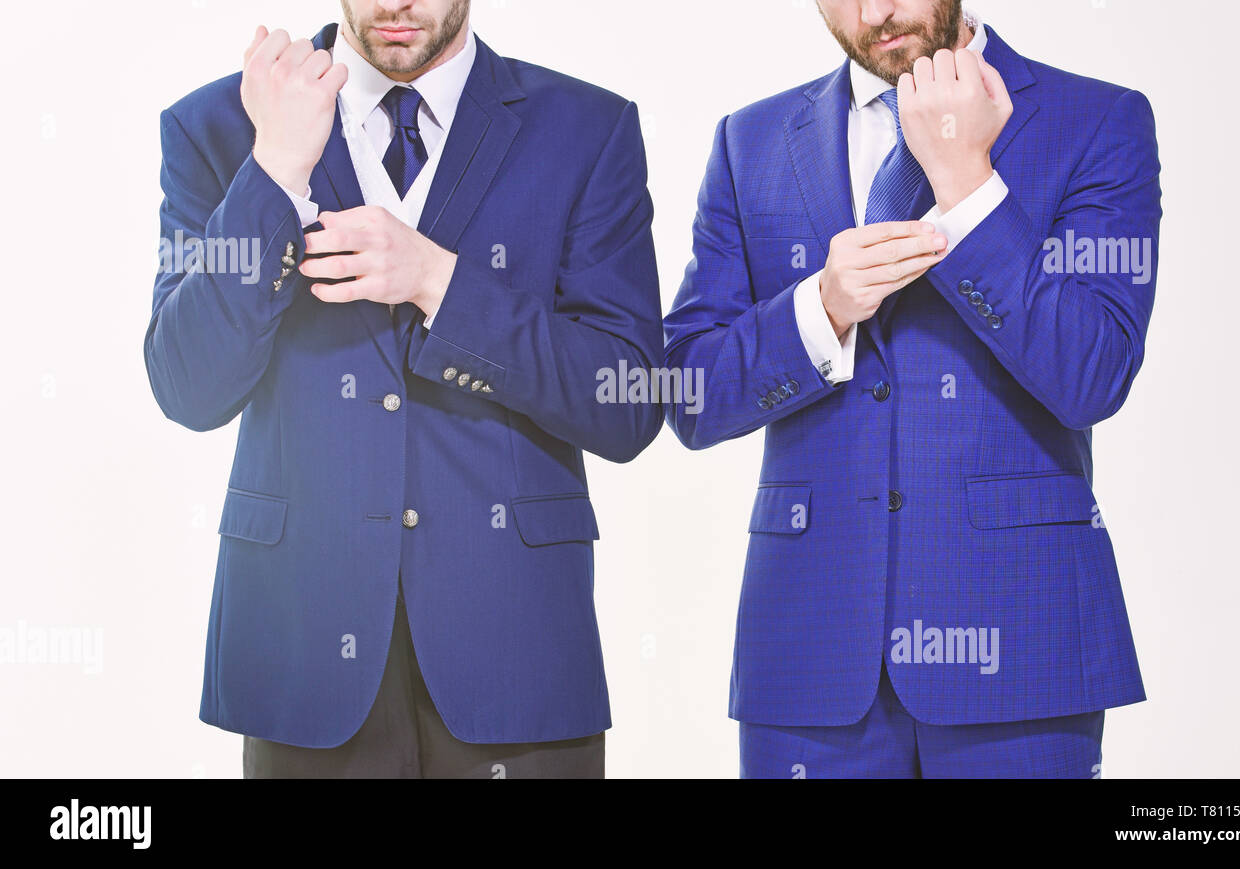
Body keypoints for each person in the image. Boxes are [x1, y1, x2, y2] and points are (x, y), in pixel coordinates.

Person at [145, 0, 662, 778]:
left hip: (516, 653)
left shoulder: (587, 129)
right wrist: (274, 172)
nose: (395, 4)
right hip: (301, 650)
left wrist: (440, 283)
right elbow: (187, 385)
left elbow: (627, 405)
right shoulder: (218, 124)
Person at [664, 0, 1160, 778]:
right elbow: (690, 395)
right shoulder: (748, 141)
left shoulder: (1097, 119)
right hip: (808, 662)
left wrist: (966, 186)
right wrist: (820, 308)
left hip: (1020, 652)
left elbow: (1092, 373)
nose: (876, 11)